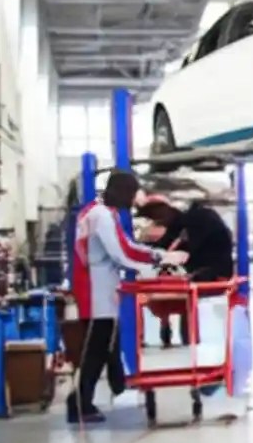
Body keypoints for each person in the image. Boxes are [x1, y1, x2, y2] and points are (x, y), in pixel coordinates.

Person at [68, 171, 187, 423]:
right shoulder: (100, 216)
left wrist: (155, 255)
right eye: (132, 194)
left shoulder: (99, 212)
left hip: (100, 288)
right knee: (96, 349)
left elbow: (125, 246)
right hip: (95, 291)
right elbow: (122, 252)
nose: (133, 200)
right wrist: (159, 258)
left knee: (105, 345)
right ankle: (80, 404)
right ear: (122, 191)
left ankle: (110, 387)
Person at [137, 196, 236, 348]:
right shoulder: (181, 222)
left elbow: (186, 249)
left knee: (180, 292)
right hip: (199, 272)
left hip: (214, 273)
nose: (159, 224)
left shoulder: (201, 219)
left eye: (158, 220)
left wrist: (161, 256)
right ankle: (183, 339)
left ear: (164, 212)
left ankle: (190, 343)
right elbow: (164, 245)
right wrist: (143, 251)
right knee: (170, 287)